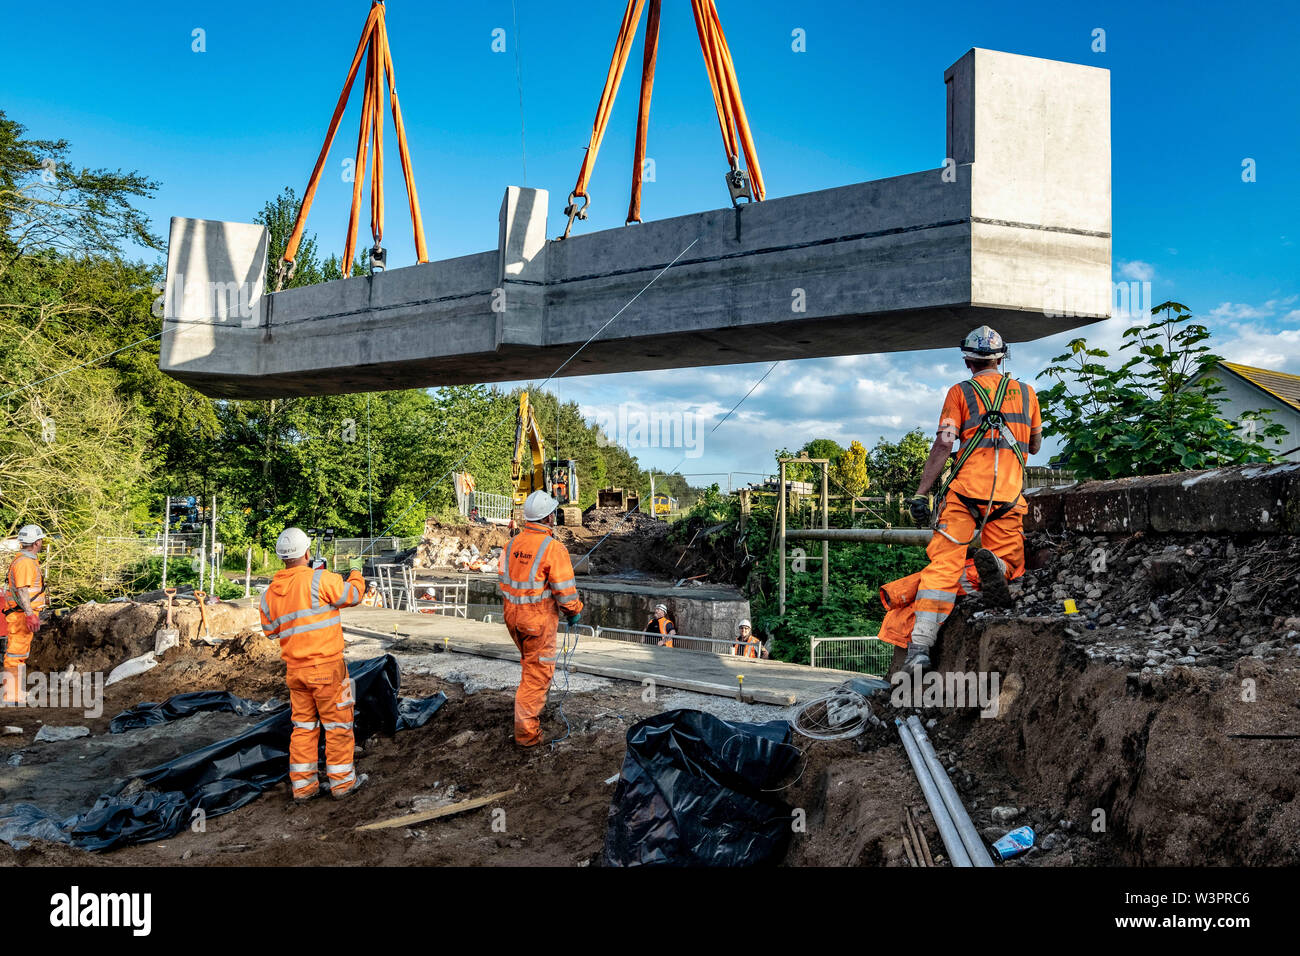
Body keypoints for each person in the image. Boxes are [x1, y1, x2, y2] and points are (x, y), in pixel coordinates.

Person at [882, 326, 1042, 673]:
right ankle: (995, 567)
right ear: (1002, 358)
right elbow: (1034, 446)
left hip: (964, 496)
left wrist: (921, 493)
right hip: (1008, 498)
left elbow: (943, 443)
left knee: (942, 567)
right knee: (1012, 567)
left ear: (968, 360)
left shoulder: (960, 392)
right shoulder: (1028, 395)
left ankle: (920, 650)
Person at [259, 527, 367, 802]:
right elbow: (353, 595)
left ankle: (304, 788)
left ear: (282, 557)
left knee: (304, 729)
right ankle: (342, 783)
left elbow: (270, 630)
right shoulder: (321, 580)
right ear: (307, 552)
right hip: (329, 670)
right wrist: (355, 572)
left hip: (297, 673)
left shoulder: (270, 594)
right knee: (338, 726)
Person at [498, 490, 583, 747]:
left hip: (513, 618)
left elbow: (504, 580)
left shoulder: (511, 544)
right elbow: (566, 593)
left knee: (530, 667)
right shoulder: (553, 548)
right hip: (537, 622)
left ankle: (529, 716)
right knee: (536, 676)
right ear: (548, 518)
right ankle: (528, 736)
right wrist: (574, 611)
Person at [2, 525, 47, 706]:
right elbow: (22, 590)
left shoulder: (25, 559)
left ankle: (15, 693)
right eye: (41, 540)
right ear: (36, 542)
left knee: (19, 654)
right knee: (15, 655)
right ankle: (11, 697)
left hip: (21, 614)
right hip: (21, 615)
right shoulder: (25, 563)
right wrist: (30, 614)